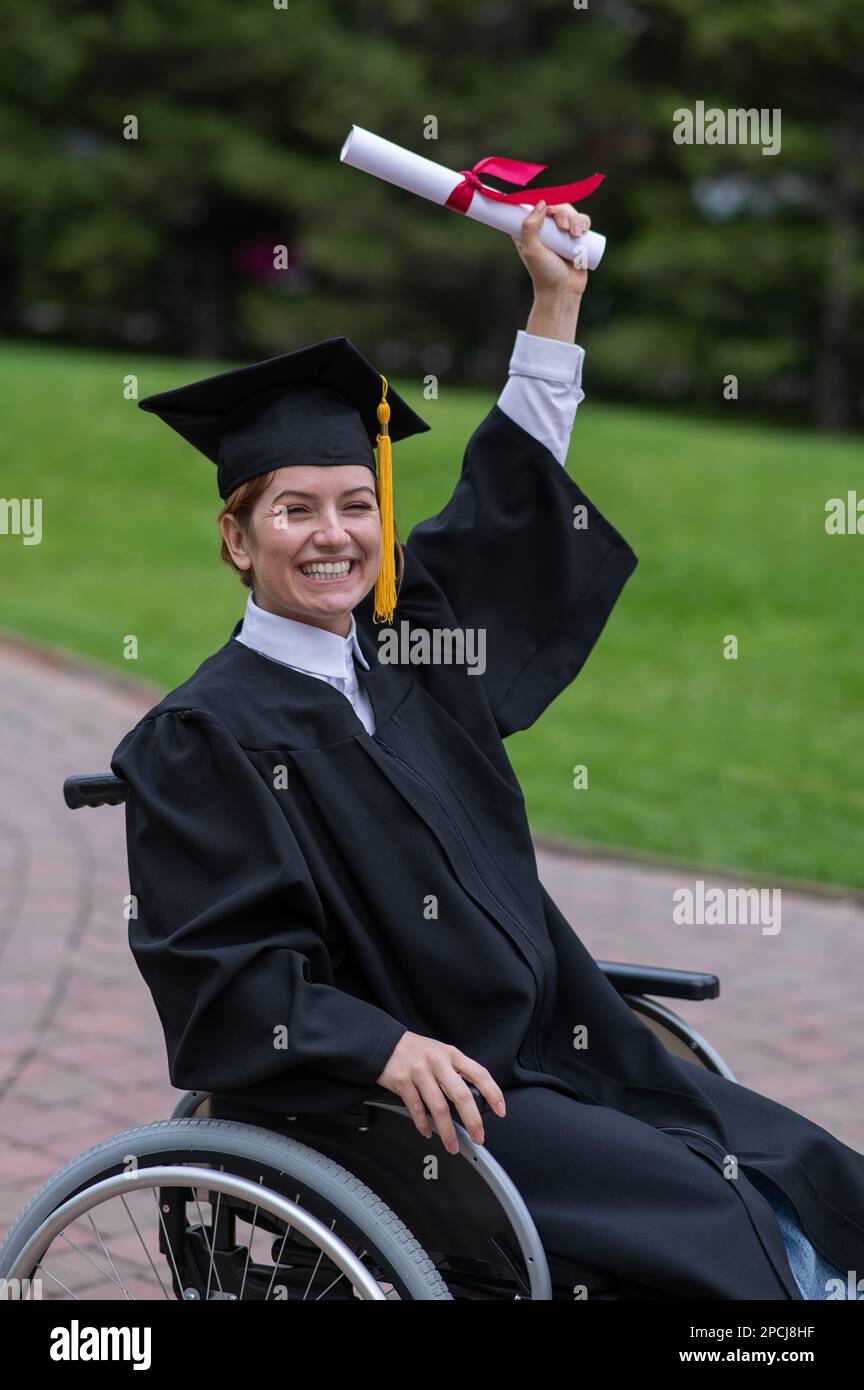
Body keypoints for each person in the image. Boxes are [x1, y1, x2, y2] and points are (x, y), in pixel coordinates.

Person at [111, 200, 864, 1300]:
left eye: (356, 505)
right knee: (713, 1221)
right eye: (294, 510)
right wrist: (380, 1046)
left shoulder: (412, 644)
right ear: (237, 536)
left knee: (802, 1169)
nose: (334, 535)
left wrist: (554, 304)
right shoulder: (202, 734)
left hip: (562, 1038)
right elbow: (226, 975)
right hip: (425, 1101)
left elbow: (507, 507)